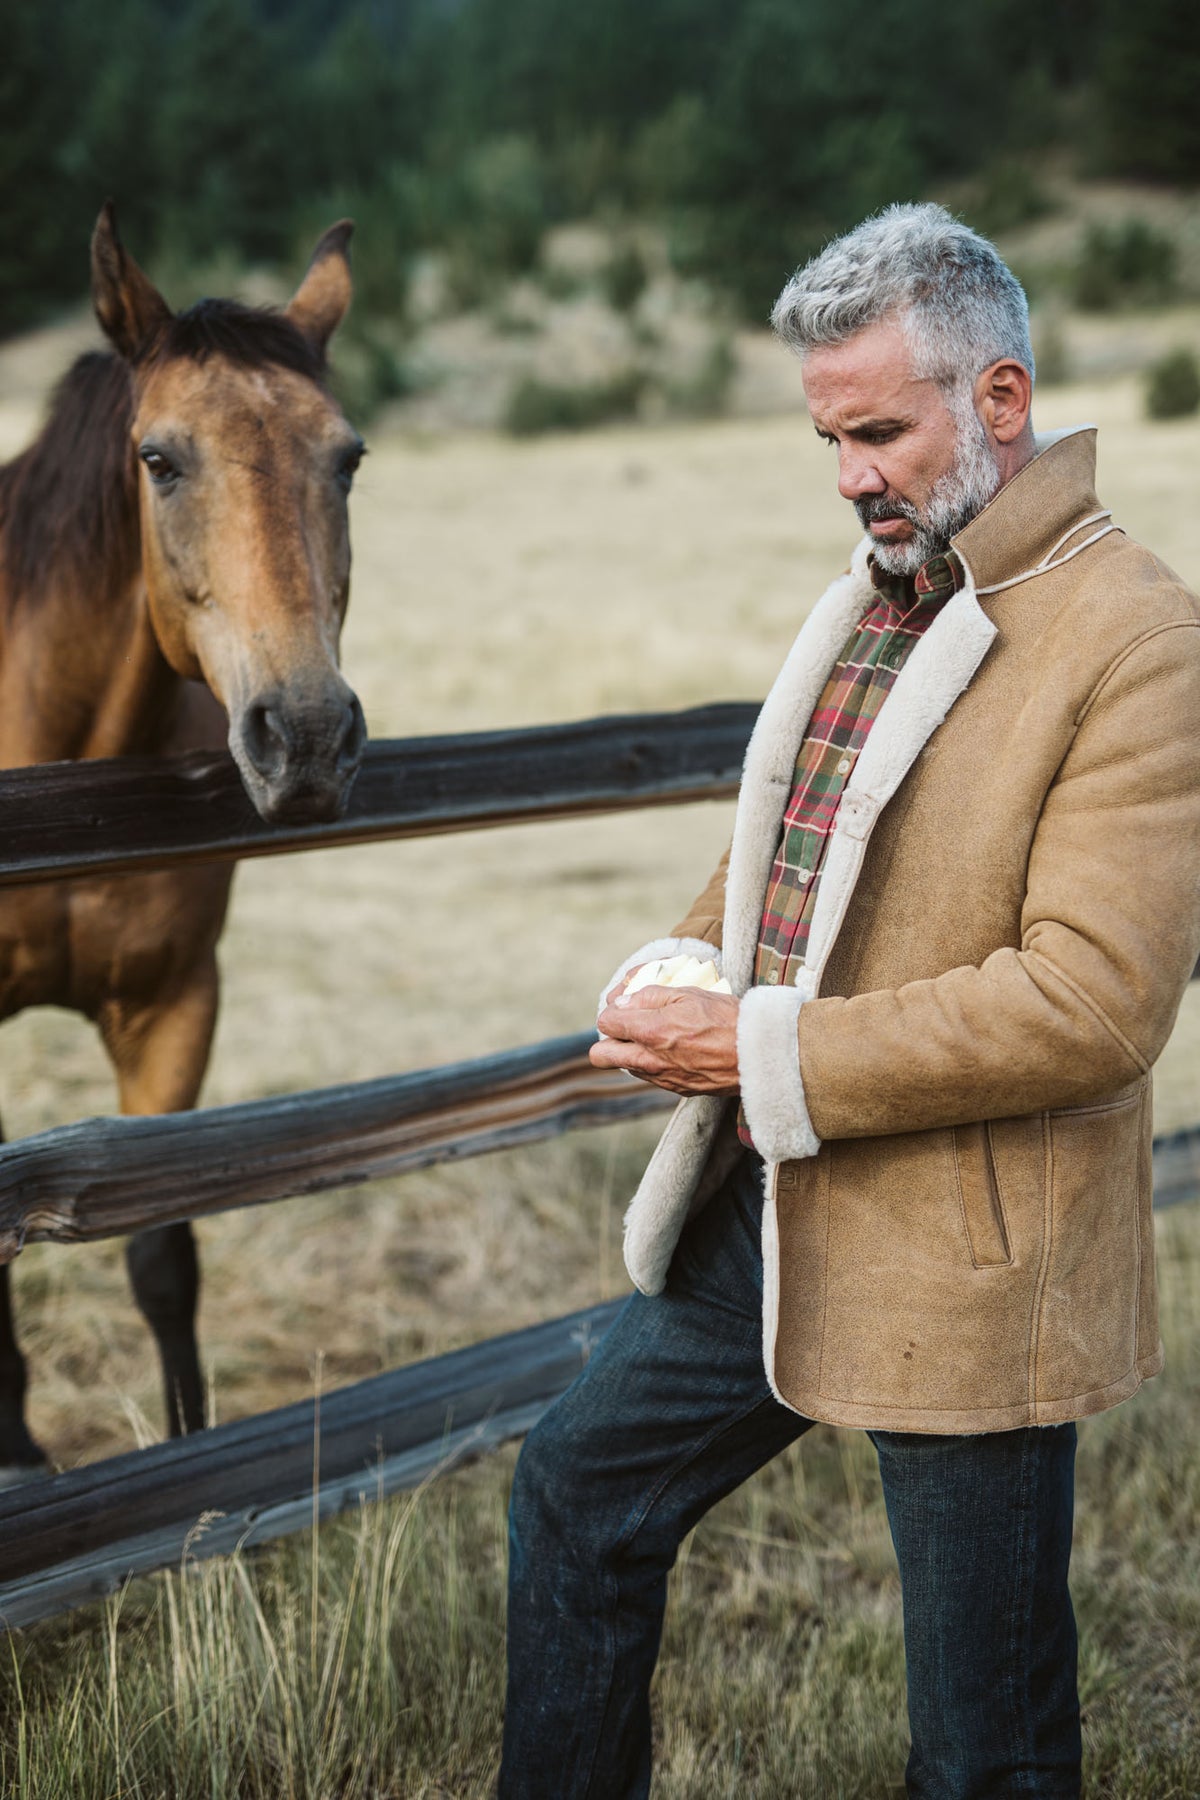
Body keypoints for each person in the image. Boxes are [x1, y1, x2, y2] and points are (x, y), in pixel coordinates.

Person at [498, 203, 1200, 1799]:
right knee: (575, 1492)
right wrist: (681, 965)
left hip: (975, 1251)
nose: (849, 476)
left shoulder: (1143, 638)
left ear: (1001, 400)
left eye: (877, 430)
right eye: (828, 437)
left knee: (983, 1740)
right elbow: (787, 854)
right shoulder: (885, 590)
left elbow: (1091, 1004)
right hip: (778, 1197)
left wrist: (746, 1047)